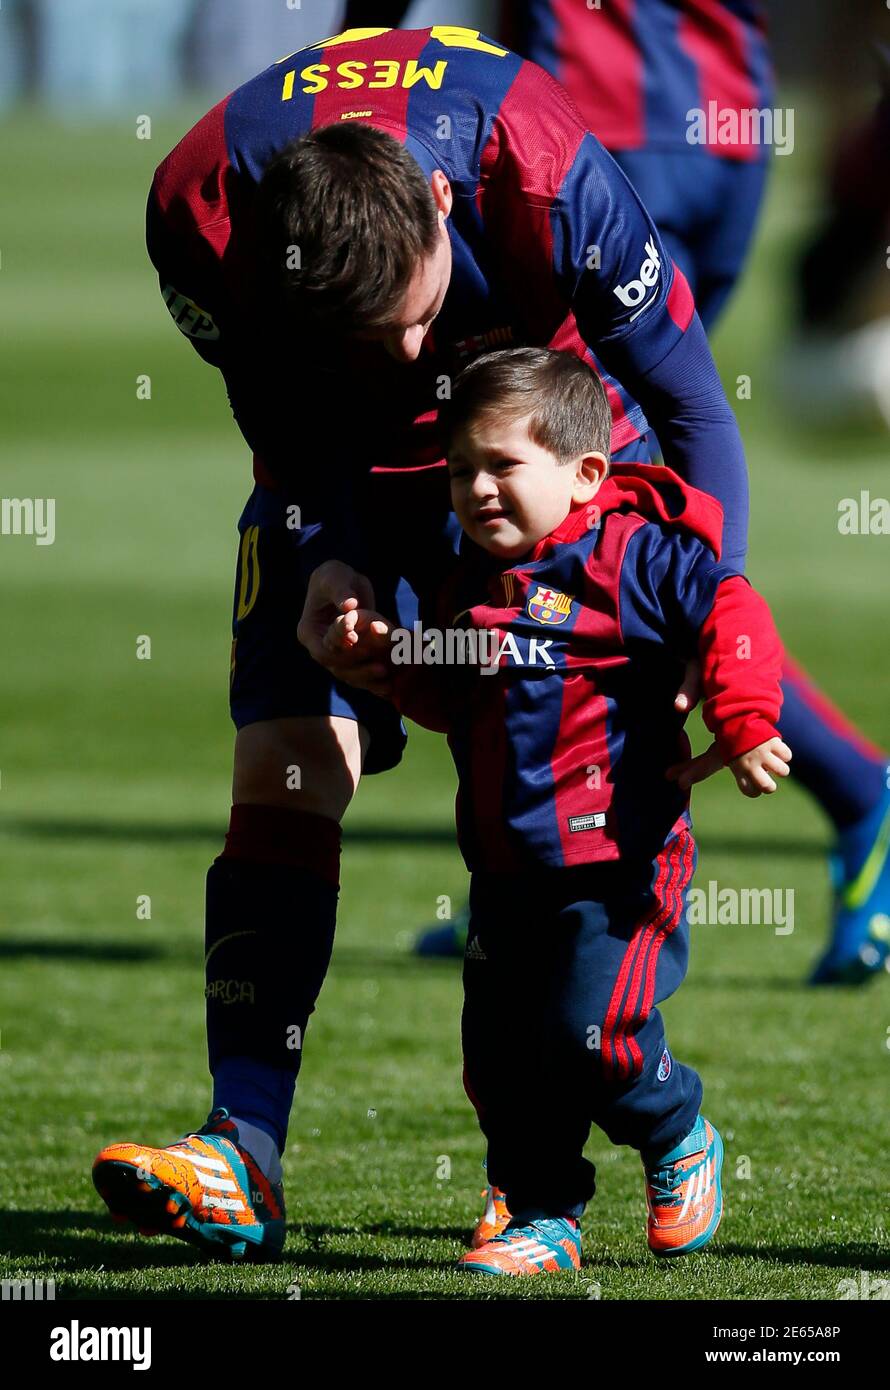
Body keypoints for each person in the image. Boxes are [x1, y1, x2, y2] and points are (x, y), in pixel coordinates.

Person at [92, 23, 765, 1262]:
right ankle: (241, 1146)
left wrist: (704, 614)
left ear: (446, 202)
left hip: (521, 455)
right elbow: (282, 425)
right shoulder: (197, 212)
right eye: (363, 337)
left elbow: (689, 402)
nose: (408, 356)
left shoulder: (549, 171)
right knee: (287, 760)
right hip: (335, 464)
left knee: (528, 802)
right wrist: (323, 544)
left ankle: (550, 1153)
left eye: (414, 315)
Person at [347, 4, 890, 987]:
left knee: (555, 509)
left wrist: (350, 58)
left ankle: (850, 795)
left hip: (588, 134)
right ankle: (541, 848)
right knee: (569, 509)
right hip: (730, 131)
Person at [324, 346, 790, 1275]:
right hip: (502, 872)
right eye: (461, 470)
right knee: (500, 1061)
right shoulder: (469, 581)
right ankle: (544, 1217)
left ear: (585, 475)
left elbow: (730, 609)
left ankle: (678, 1128)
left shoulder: (635, 557)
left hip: (618, 864)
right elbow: (455, 695)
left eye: (503, 467)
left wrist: (743, 718)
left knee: (595, 1032)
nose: (477, 489)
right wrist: (384, 664)